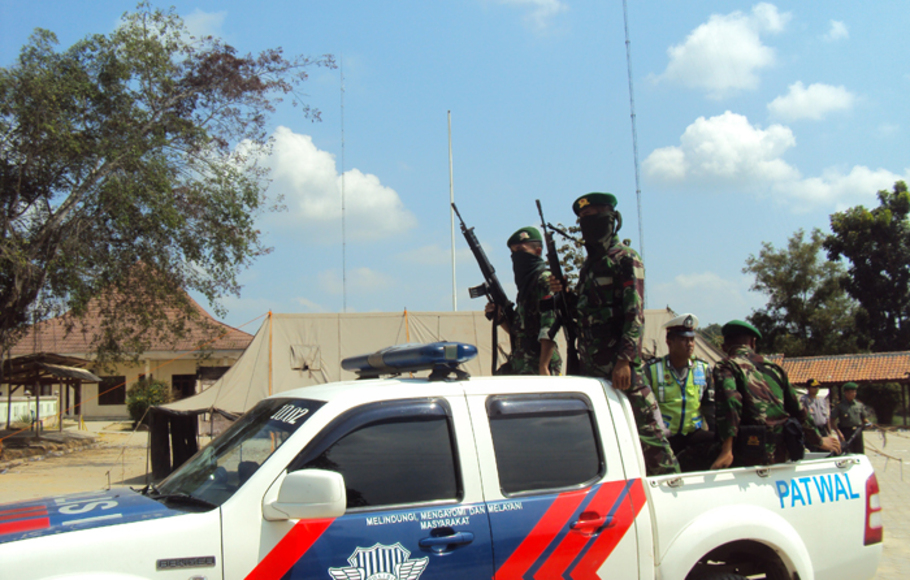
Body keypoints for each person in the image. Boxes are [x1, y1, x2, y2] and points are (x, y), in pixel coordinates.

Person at [551, 192, 678, 475]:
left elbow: (635, 313)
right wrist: (564, 293)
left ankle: (671, 483)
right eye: (582, 219)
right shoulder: (588, 266)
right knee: (604, 435)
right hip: (591, 365)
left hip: (620, 366)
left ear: (611, 219)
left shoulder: (626, 259)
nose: (587, 223)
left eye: (592, 216)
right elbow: (584, 312)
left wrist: (625, 360)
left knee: (648, 433)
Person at [711, 320, 840, 469]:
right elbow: (797, 408)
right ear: (753, 342)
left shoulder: (726, 366)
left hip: (748, 452)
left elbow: (730, 403)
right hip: (781, 451)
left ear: (724, 347)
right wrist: (819, 441)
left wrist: (726, 449)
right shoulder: (774, 368)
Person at [485, 227, 561, 375]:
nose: (516, 256)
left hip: (538, 364)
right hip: (520, 362)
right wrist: (499, 317)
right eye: (513, 251)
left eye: (520, 250)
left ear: (538, 251)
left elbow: (550, 326)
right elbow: (519, 330)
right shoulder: (526, 286)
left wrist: (544, 366)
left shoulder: (544, 280)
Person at [645, 313, 715, 471]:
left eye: (692, 339)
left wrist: (714, 431)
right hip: (665, 436)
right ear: (669, 342)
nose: (689, 344)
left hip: (693, 434)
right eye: (684, 339)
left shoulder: (703, 368)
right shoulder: (653, 369)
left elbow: (710, 406)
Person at [835, 382, 870, 454]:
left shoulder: (859, 405)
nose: (854, 394)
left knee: (859, 452)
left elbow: (864, 419)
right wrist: (839, 433)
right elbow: (832, 421)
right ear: (846, 393)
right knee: (848, 452)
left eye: (854, 392)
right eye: (851, 392)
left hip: (857, 432)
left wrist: (869, 424)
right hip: (846, 432)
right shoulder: (840, 406)